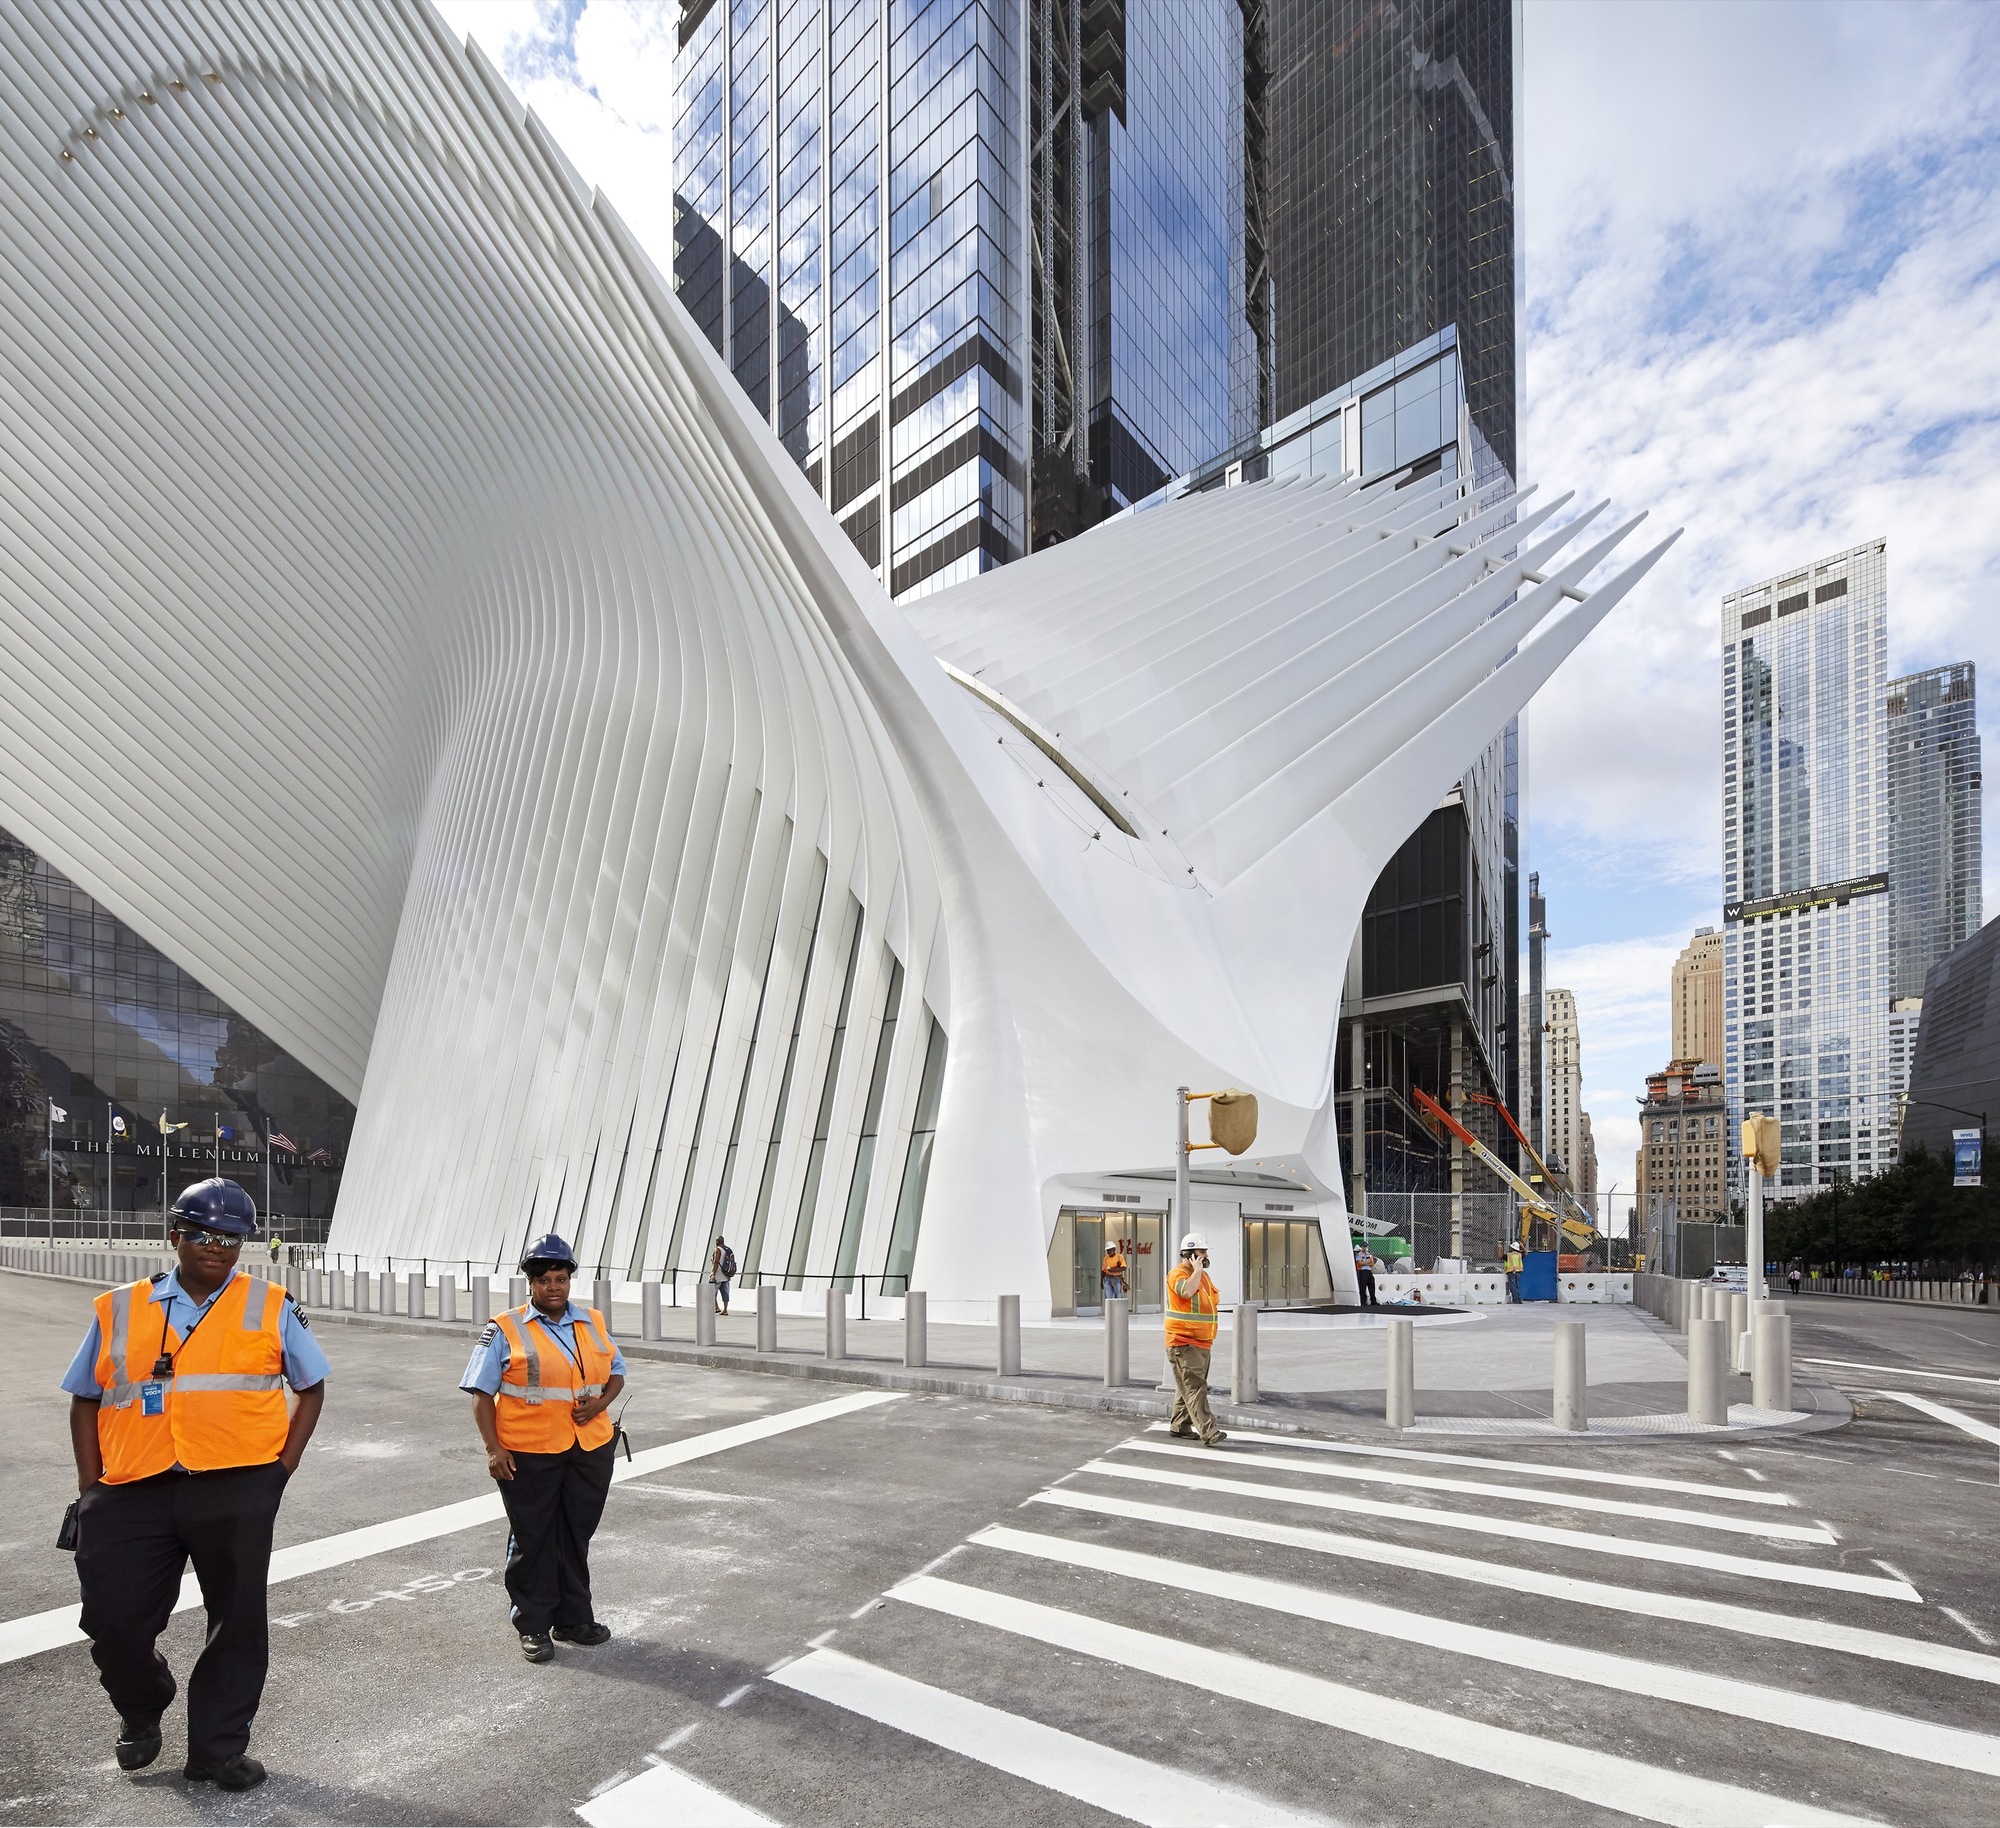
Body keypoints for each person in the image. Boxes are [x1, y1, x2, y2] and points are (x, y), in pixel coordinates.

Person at [61, 1179, 328, 1793]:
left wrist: (278, 1472)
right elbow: (84, 1398)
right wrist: (92, 1484)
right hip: (131, 1487)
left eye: (233, 1238)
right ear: (174, 1236)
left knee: (236, 1620)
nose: (219, 1248)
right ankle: (141, 1701)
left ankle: (217, 1750)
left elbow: (310, 1388)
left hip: (236, 1486)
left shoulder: (271, 1303)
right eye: (205, 1235)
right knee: (113, 1621)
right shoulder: (120, 1307)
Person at [462, 1233, 626, 1663]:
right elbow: (480, 1394)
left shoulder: (593, 1321)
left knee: (575, 1536)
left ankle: (573, 1618)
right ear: (530, 1283)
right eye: (545, 1279)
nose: (554, 1287)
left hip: (588, 1448)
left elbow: (617, 1374)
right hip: (528, 1451)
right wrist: (493, 1449)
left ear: (570, 1279)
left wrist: (600, 1405)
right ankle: (533, 1624)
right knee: (533, 1538)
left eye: (561, 1278)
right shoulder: (505, 1327)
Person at [1164, 1232, 1226, 1447]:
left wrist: (1199, 1272)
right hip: (1184, 1342)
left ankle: (1179, 1425)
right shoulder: (1177, 1274)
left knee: (1187, 1387)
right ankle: (1209, 1431)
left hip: (1202, 1342)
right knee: (1195, 1388)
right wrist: (1197, 1270)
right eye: (1201, 1252)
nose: (1206, 1255)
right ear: (1190, 1254)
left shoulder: (1204, 1277)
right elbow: (1187, 1292)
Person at [709, 1235, 736, 1315]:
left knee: (711, 1292)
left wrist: (714, 1274)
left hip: (718, 1275)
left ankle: (716, 1307)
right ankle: (725, 1310)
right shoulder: (728, 1249)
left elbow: (716, 1262)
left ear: (717, 1242)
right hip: (726, 1275)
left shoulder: (717, 1250)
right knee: (725, 1293)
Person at [1101, 1238, 1129, 1303]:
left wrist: (1114, 1270)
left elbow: (1124, 1267)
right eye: (1107, 1250)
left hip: (1117, 1278)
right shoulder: (1106, 1259)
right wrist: (1101, 1281)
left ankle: (1119, 1311)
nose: (1108, 1252)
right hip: (1108, 1278)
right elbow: (1103, 1270)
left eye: (1110, 1250)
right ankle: (1111, 1311)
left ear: (1114, 1249)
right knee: (1109, 1297)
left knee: (1118, 1295)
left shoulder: (1119, 1257)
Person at [1353, 1243, 1380, 1309]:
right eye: (1364, 1247)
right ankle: (1363, 1301)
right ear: (1361, 1247)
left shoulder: (1369, 1255)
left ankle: (1373, 1300)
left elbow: (1372, 1264)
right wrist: (1367, 1263)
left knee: (1372, 1286)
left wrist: (1365, 1263)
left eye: (1366, 1247)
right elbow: (1360, 1263)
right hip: (1362, 1272)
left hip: (1369, 1272)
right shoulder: (1359, 1255)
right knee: (1363, 1287)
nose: (1365, 1248)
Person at [1503, 1237, 1523, 1304]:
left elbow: (1500, 1256)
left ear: (1512, 1248)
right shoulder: (1520, 1255)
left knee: (1513, 1287)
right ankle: (1519, 1299)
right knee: (1517, 1286)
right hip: (1518, 1272)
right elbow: (1526, 1253)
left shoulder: (1508, 1255)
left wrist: (1499, 1247)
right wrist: (1522, 1246)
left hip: (1511, 1272)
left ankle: (1515, 1300)